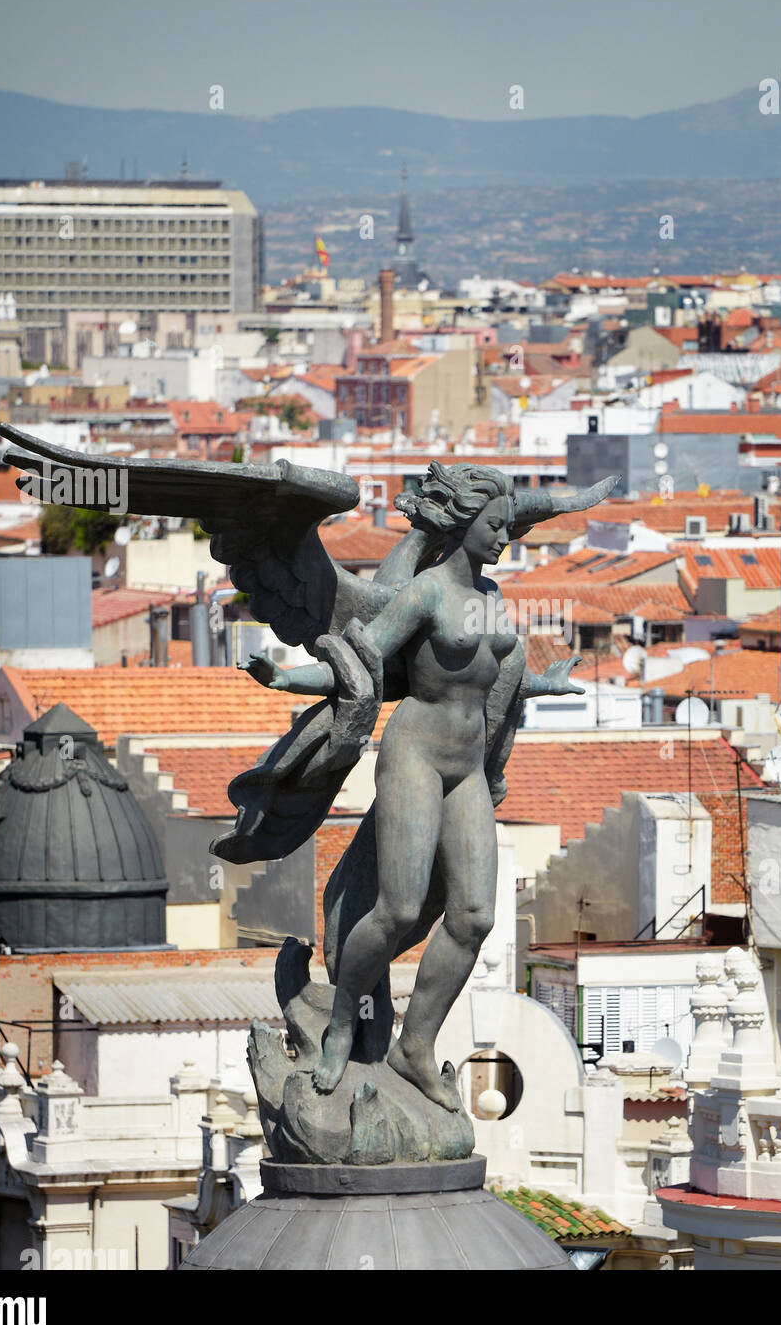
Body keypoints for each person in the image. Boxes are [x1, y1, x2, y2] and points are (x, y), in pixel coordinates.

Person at [243, 463, 583, 1109]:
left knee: (475, 916)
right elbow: (360, 664)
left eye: (509, 526)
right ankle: (345, 1021)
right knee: (398, 909)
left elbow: (491, 679)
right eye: (494, 525)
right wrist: (286, 679)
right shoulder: (425, 593)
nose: (505, 537)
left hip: (468, 766)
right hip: (415, 756)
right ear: (462, 525)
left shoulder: (493, 599)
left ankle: (415, 1045)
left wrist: (541, 688)